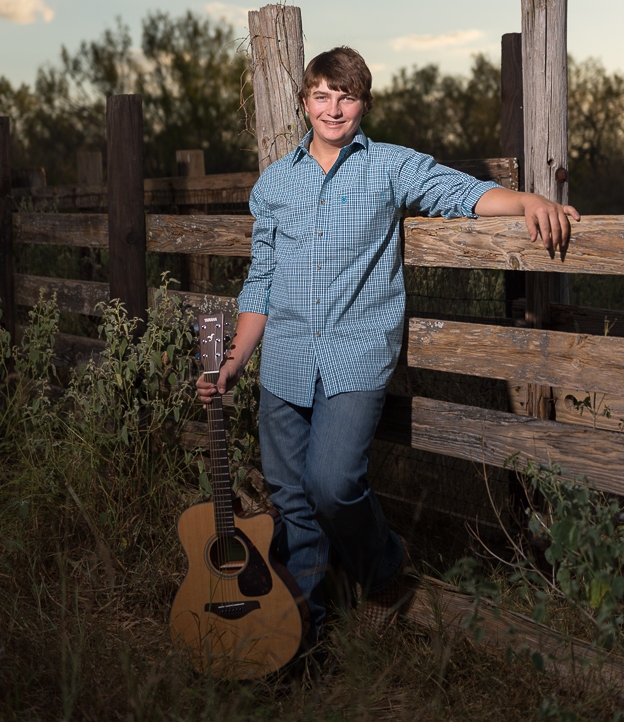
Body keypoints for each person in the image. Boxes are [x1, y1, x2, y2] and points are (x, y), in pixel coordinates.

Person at [196, 46, 580, 639]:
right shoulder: (274, 183)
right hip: (285, 360)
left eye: (346, 97)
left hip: (355, 356)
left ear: (364, 104)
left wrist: (528, 200)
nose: (333, 109)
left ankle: (384, 569)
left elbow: (460, 192)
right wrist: (235, 362)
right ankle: (300, 631)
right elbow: (262, 280)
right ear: (304, 102)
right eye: (321, 96)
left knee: (332, 484)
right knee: (290, 499)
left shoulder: (390, 167)